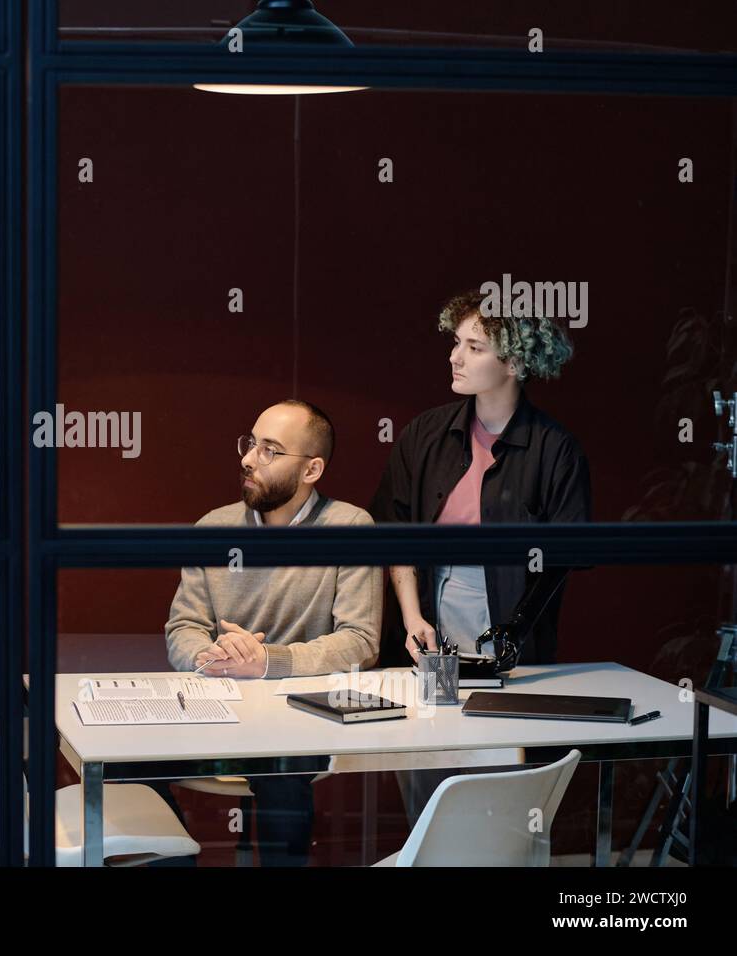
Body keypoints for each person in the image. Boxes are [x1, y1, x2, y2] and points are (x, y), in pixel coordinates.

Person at [369, 288, 591, 824]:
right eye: (456, 341)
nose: (455, 355)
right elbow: (393, 534)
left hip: (509, 636)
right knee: (427, 777)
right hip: (426, 629)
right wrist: (412, 616)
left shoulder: (555, 448)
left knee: (502, 788)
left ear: (514, 362)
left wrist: (515, 628)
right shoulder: (425, 432)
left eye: (474, 346)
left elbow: (563, 557)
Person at [161, 400, 383, 866]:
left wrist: (267, 662)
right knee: (129, 766)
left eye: (269, 450)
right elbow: (183, 626)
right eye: (250, 443)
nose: (247, 458)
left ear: (312, 469)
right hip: (215, 705)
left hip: (298, 718)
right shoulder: (213, 528)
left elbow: (360, 640)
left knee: (282, 772)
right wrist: (214, 655)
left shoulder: (350, 527)